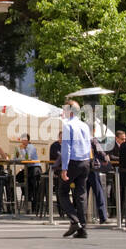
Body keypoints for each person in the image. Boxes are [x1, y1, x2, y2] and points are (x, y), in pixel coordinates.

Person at [57, 101, 92, 239]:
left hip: (73, 162)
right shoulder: (84, 125)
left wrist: (64, 168)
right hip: (85, 161)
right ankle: (82, 228)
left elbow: (66, 147)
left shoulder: (68, 125)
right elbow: (88, 144)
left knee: (62, 192)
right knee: (81, 194)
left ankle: (75, 220)